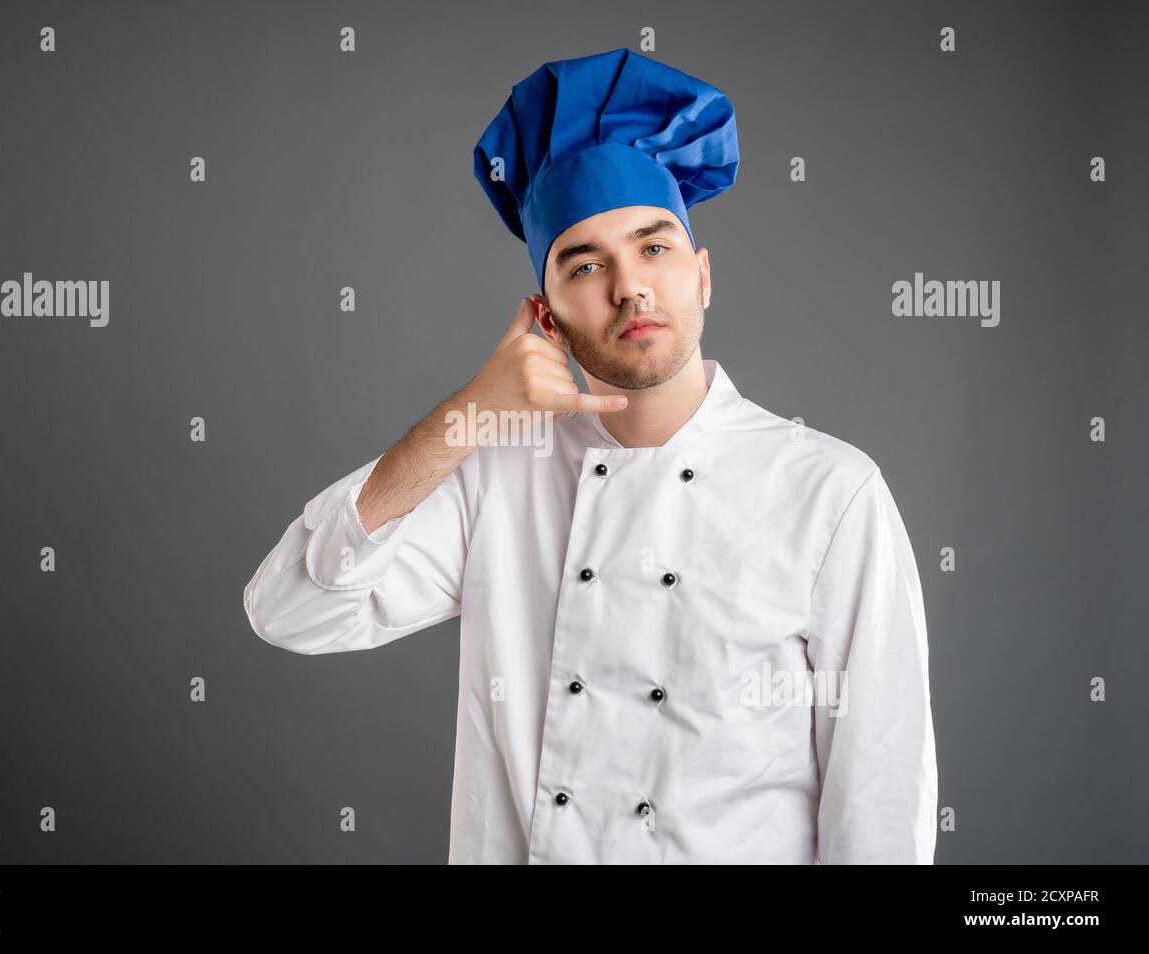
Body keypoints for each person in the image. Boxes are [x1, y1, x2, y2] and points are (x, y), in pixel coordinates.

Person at [243, 47, 937, 864]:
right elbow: (289, 610)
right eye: (586, 264)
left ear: (703, 276)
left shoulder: (829, 491)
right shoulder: (498, 476)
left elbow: (880, 798)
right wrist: (466, 418)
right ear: (546, 313)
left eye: (654, 248)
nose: (629, 287)